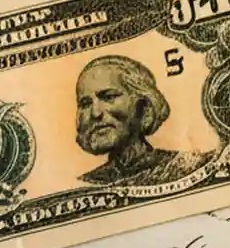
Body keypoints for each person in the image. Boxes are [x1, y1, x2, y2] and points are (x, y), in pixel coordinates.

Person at [74, 55, 211, 185]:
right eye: (85, 104)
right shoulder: (88, 182)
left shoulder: (183, 167)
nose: (95, 113)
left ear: (143, 105)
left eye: (109, 97)